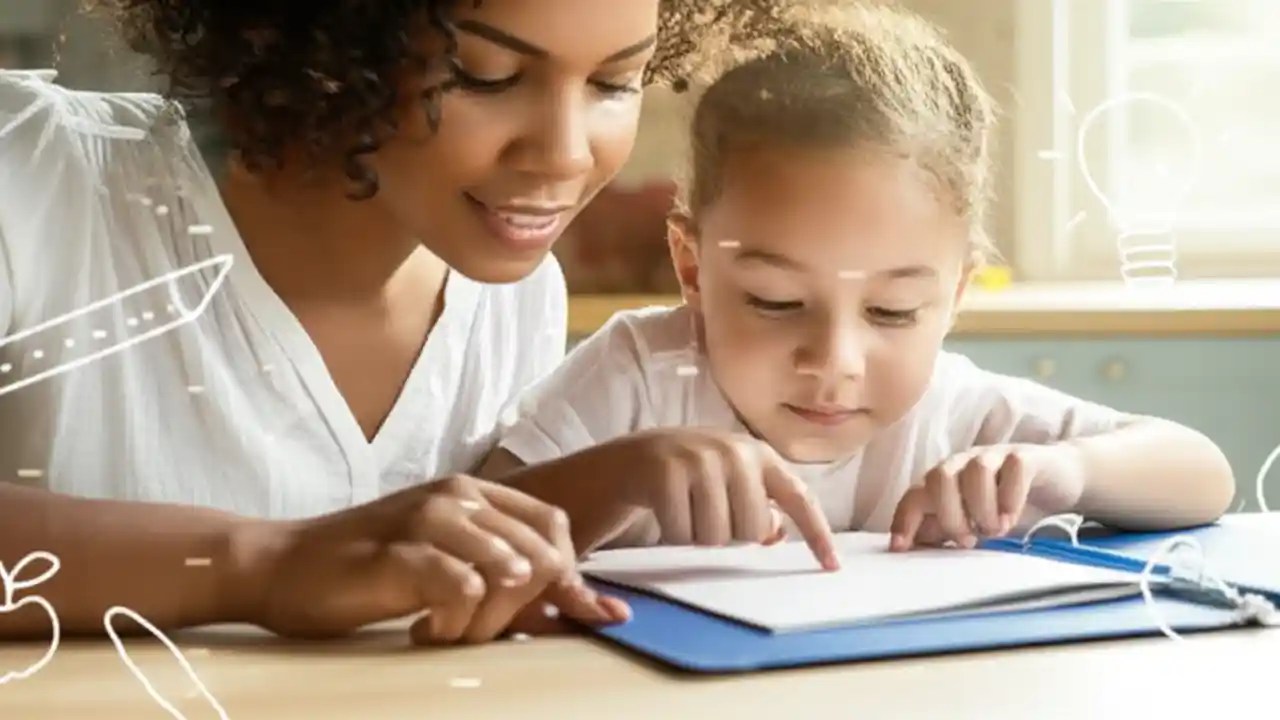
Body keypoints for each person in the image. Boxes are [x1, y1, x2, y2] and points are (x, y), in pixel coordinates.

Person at [0, 0, 835, 645]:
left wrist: (597, 487)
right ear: (318, 37)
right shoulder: (31, 176)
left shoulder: (513, 297)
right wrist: (262, 563)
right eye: (486, 75)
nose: (567, 153)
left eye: (615, 83)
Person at [482, 3, 1237, 559]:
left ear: (956, 296)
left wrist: (1067, 472)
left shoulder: (960, 414)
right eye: (775, 301)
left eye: (893, 309)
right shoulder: (640, 378)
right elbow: (470, 523)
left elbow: (1202, 474)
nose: (834, 358)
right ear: (692, 267)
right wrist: (613, 481)